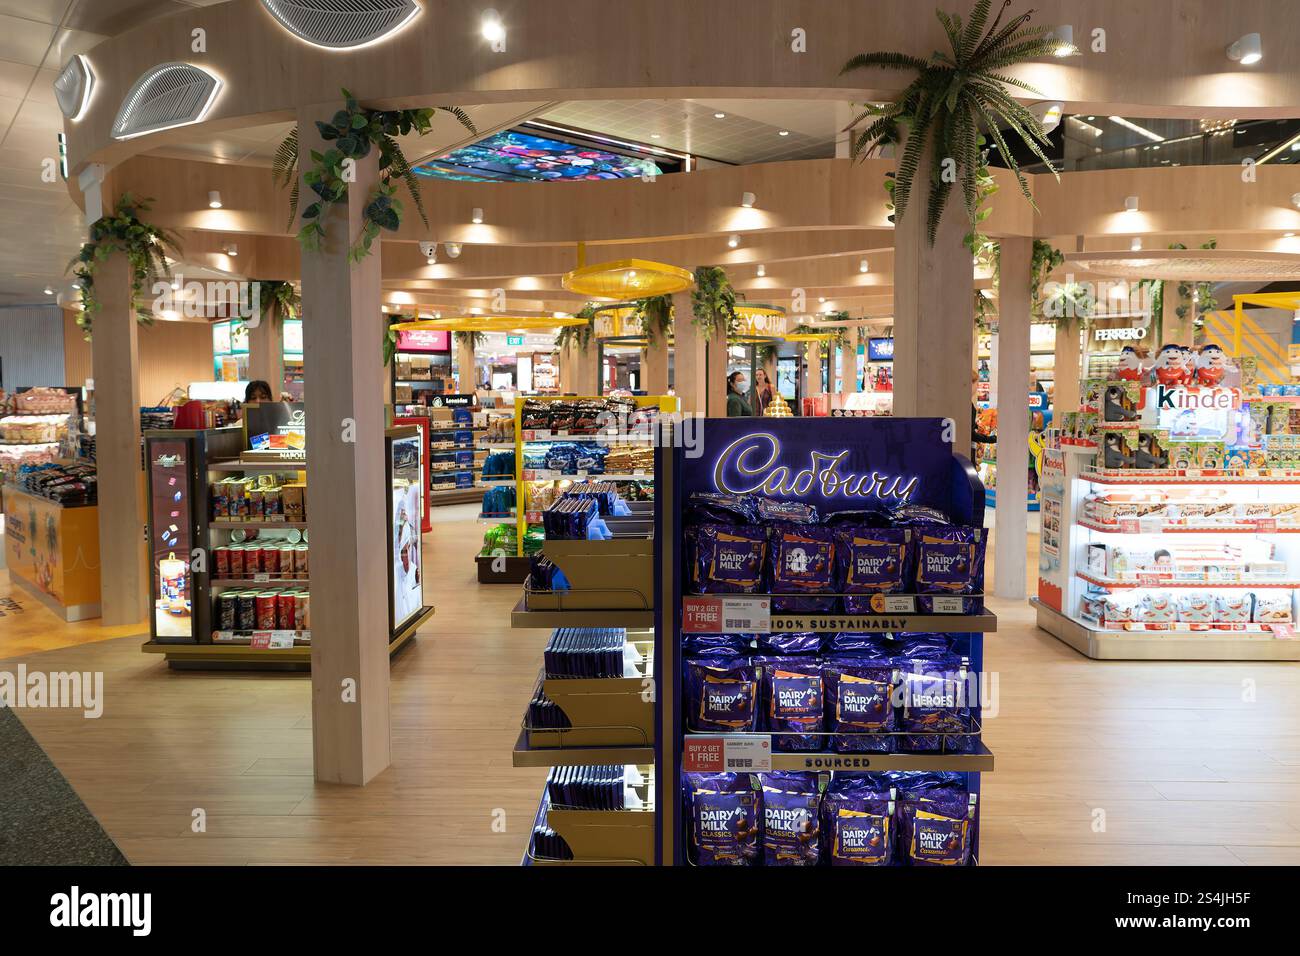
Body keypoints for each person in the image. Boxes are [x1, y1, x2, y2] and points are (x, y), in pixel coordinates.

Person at [971, 371, 995, 460]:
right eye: (976, 384)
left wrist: (976, 426)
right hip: (968, 449)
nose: (977, 387)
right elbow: (971, 434)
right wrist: (990, 439)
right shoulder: (969, 406)